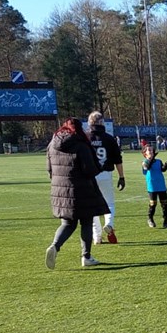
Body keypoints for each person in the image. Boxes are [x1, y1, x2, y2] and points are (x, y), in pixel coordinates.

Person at [44, 118, 107, 269]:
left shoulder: (52, 144)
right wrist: (100, 167)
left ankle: (55, 246)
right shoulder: (81, 145)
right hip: (83, 190)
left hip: (60, 190)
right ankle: (86, 257)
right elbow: (89, 169)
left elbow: (49, 169)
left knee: (67, 224)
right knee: (86, 222)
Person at [86, 111, 125, 245]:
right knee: (109, 203)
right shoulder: (109, 138)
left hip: (90, 175)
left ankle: (97, 236)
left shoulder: (85, 137)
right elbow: (118, 160)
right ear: (102, 122)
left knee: (92, 207)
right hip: (105, 173)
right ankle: (109, 223)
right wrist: (121, 177)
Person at [141, 142, 167, 228]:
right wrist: (152, 158)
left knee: (164, 205)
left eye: (151, 150)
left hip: (161, 185)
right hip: (152, 187)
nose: (150, 151)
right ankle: (150, 219)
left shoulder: (158, 161)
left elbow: (163, 169)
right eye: (148, 150)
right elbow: (147, 167)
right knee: (153, 204)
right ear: (145, 153)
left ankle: (166, 222)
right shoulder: (144, 162)